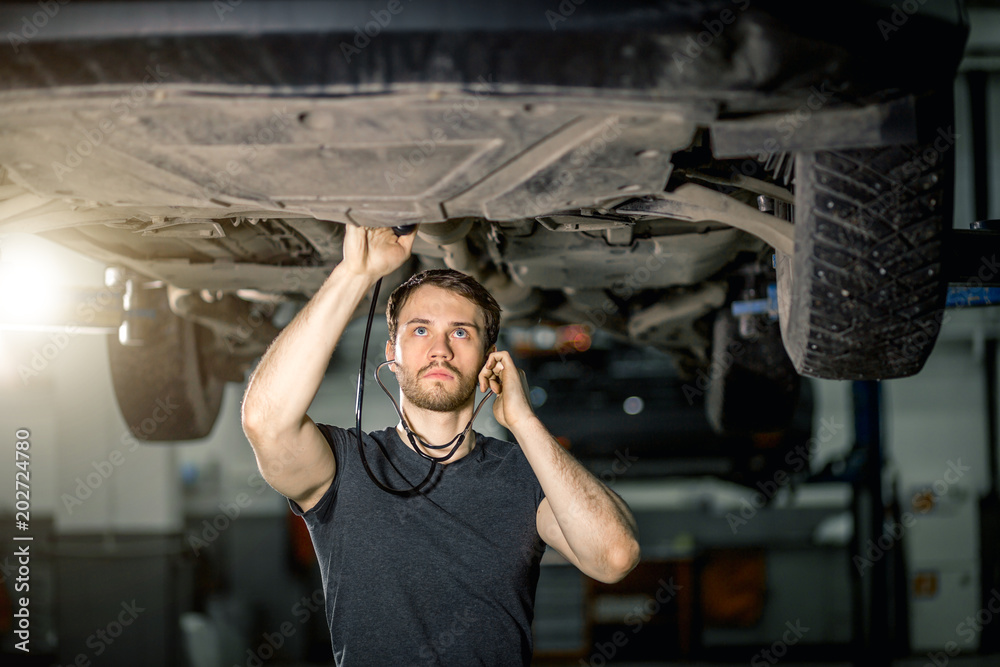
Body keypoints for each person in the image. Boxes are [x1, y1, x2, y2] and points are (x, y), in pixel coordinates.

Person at [241, 224, 640, 666]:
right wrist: (355, 272)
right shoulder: (345, 466)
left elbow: (614, 556)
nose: (440, 350)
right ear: (391, 353)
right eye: (419, 331)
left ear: (490, 359)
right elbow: (266, 423)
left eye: (461, 333)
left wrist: (524, 422)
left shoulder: (524, 475)